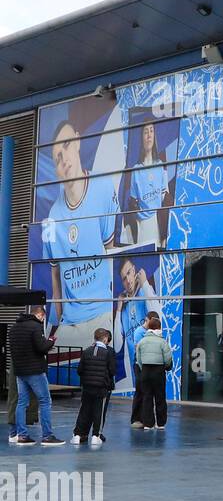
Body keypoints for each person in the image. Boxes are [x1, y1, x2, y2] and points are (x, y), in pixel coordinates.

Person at [43, 119, 120, 349]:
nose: (63, 159)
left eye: (66, 145)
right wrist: (61, 316)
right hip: (71, 325)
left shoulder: (103, 188)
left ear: (77, 141)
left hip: (102, 317)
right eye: (57, 158)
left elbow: (112, 251)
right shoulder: (52, 217)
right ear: (55, 170)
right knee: (64, 382)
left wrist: (113, 311)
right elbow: (55, 276)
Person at [10, 304, 61, 446]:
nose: (43, 320)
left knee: (21, 403)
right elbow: (41, 347)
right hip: (35, 371)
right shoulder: (35, 327)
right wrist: (50, 341)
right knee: (45, 401)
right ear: (40, 315)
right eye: (43, 317)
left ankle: (22, 435)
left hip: (20, 372)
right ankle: (47, 436)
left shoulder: (14, 328)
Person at [118, 257, 161, 391]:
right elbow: (118, 344)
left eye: (129, 273)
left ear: (135, 270)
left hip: (150, 363)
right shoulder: (124, 307)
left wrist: (145, 284)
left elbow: (158, 315)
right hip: (135, 368)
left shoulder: (145, 291)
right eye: (124, 278)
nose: (128, 281)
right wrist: (119, 308)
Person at [127, 120, 169, 247]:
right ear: (142, 138)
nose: (149, 135)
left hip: (158, 223)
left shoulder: (161, 166)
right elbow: (132, 203)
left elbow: (164, 197)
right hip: (143, 226)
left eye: (151, 131)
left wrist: (164, 233)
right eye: (146, 132)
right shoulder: (136, 170)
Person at [74, 328, 115, 445]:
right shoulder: (108, 353)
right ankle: (96, 435)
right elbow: (112, 370)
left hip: (87, 386)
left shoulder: (86, 351)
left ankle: (77, 434)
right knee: (99, 411)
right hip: (101, 387)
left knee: (84, 410)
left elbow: (80, 370)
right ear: (106, 338)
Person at [134, 315, 173, 430]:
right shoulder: (162, 342)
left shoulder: (142, 341)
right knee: (160, 397)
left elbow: (138, 359)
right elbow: (168, 359)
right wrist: (164, 367)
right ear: (159, 328)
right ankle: (160, 423)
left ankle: (148, 423)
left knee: (147, 397)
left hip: (145, 371)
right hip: (158, 371)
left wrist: (144, 368)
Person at [129, 310, 161, 428]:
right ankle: (136, 418)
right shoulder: (139, 332)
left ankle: (146, 418)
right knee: (140, 390)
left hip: (149, 366)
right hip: (140, 365)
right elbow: (138, 350)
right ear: (147, 320)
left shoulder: (153, 333)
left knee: (148, 392)